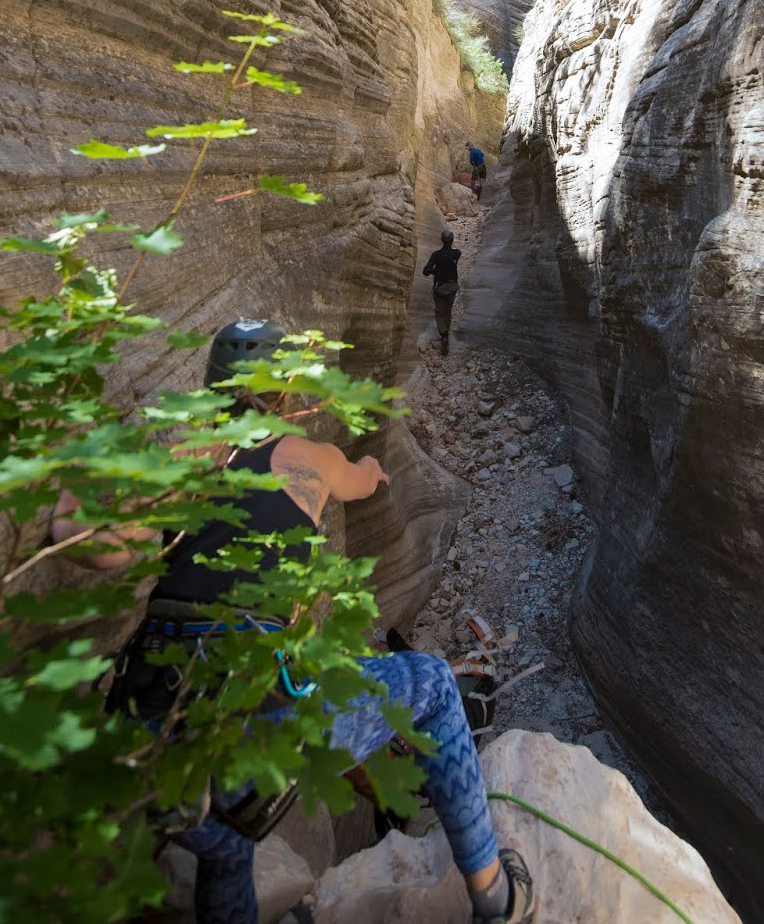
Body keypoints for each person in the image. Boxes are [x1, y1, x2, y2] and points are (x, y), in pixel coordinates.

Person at [50, 319, 534, 924]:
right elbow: (358, 482)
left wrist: (69, 509)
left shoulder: (184, 462)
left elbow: (101, 545)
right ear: (285, 391)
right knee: (435, 685)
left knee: (225, 850)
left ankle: (197, 793)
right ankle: (497, 896)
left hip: (148, 712)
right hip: (252, 710)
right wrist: (370, 470)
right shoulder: (308, 458)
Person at [423, 230, 461, 355]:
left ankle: (443, 334)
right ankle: (447, 333)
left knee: (440, 312)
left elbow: (426, 270)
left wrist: (433, 271)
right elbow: (452, 258)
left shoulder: (436, 255)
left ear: (442, 240)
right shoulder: (456, 253)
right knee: (448, 310)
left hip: (440, 287)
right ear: (452, 240)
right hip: (452, 286)